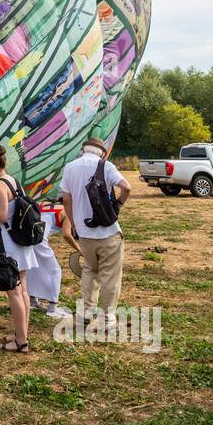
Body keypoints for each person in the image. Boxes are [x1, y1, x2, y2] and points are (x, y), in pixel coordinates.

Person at [59, 137, 131, 329]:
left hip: (84, 233)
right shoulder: (105, 166)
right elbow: (126, 187)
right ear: (102, 152)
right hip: (108, 232)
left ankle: (85, 314)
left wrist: (74, 225)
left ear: (84, 149)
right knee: (110, 276)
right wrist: (119, 205)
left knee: (90, 271)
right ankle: (109, 319)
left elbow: (66, 200)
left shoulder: (70, 167)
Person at [0, 144, 33, 353]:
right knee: (22, 290)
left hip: (8, 243)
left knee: (13, 292)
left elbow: (1, 216)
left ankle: (21, 341)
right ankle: (22, 334)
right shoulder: (15, 181)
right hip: (21, 241)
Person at [26, 200, 70, 319]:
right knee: (54, 271)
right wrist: (79, 249)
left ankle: (33, 300)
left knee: (33, 268)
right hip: (39, 240)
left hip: (27, 236)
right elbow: (67, 235)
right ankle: (52, 309)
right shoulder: (70, 212)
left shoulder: (49, 203)